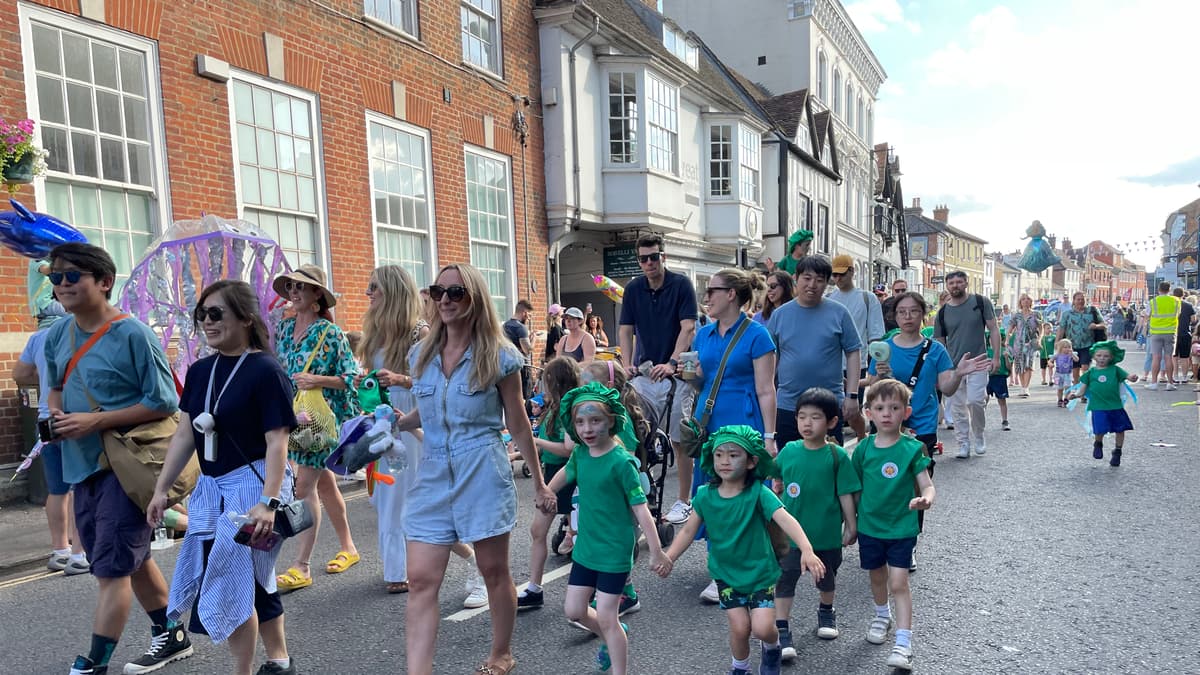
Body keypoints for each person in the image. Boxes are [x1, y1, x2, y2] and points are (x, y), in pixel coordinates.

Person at [394, 263, 556, 675]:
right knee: (421, 579)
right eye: (438, 292)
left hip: (481, 468)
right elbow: (431, 409)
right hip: (432, 473)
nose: (444, 300)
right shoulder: (420, 354)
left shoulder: (500, 356)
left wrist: (539, 483)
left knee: (493, 571)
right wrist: (399, 421)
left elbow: (517, 422)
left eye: (455, 293)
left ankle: (501, 652)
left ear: (475, 299)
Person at [43, 243, 188, 675]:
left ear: (104, 282)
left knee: (110, 570)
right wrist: (55, 416)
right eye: (56, 277)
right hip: (80, 465)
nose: (62, 285)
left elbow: (164, 401)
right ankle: (173, 634)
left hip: (126, 468)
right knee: (130, 558)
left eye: (73, 276)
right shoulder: (57, 334)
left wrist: (95, 421)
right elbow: (54, 389)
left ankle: (94, 664)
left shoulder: (133, 334)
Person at [147, 280, 297, 675]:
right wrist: (161, 490)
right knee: (253, 577)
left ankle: (243, 670)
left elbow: (277, 441)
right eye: (202, 315)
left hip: (255, 487)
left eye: (217, 314)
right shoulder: (200, 372)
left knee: (232, 579)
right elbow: (184, 434)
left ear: (246, 318)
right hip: (212, 490)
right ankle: (279, 661)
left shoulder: (266, 370)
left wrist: (268, 502)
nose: (207, 322)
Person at [657, 425, 824, 675]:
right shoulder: (704, 496)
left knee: (763, 628)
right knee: (739, 628)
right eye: (719, 454)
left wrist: (807, 550)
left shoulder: (758, 493)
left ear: (751, 462)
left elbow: (786, 518)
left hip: (760, 574)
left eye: (734, 455)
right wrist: (668, 557)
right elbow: (688, 532)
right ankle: (740, 667)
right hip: (726, 574)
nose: (725, 461)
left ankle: (772, 645)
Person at [546, 383, 668, 675]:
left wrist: (657, 552)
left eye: (595, 420)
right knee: (574, 610)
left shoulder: (622, 462)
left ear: (611, 420)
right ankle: (610, 634)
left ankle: (616, 657)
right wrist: (547, 492)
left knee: (606, 616)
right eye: (580, 422)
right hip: (587, 547)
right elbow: (566, 473)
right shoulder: (580, 454)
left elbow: (641, 509)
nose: (587, 428)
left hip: (614, 549)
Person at [865, 292, 987, 542]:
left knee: (916, 484)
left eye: (914, 311)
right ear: (894, 316)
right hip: (886, 425)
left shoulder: (935, 349)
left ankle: (908, 541)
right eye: (902, 312)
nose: (908, 317)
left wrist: (959, 374)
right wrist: (879, 375)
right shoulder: (884, 348)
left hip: (921, 425)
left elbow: (947, 388)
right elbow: (873, 388)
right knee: (881, 482)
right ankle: (880, 534)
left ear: (923, 315)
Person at [271, 265, 361, 592]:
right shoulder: (282, 330)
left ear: (316, 296)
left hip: (322, 421)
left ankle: (302, 565)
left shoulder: (331, 333)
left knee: (303, 488)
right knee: (325, 486)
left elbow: (353, 378)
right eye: (291, 286)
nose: (294, 292)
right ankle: (349, 547)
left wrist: (317, 380)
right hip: (296, 418)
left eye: (301, 287)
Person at [692, 268, 778, 603]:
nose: (707, 296)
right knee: (714, 489)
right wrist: (690, 377)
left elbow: (766, 389)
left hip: (743, 420)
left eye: (712, 289)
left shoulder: (758, 336)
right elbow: (703, 379)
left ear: (731, 294)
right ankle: (720, 568)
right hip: (709, 419)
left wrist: (769, 435)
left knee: (742, 492)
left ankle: (750, 561)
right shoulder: (704, 334)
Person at [851, 379, 936, 672]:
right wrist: (851, 524)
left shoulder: (913, 448)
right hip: (870, 528)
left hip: (901, 528)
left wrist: (925, 499)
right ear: (869, 413)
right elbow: (854, 489)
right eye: (879, 407)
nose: (887, 413)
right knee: (876, 578)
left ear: (906, 412)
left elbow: (927, 485)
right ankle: (881, 615)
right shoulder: (862, 450)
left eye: (894, 407)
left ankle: (904, 643)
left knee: (898, 582)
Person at [772, 388, 860, 662]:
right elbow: (773, 476)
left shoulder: (836, 456)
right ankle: (782, 628)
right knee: (784, 581)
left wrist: (851, 526)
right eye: (801, 417)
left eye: (815, 417)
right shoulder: (789, 451)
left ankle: (826, 611)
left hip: (825, 535)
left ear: (832, 422)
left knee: (826, 578)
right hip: (790, 538)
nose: (807, 423)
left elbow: (845, 492)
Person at [617, 233, 698, 527]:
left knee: (679, 434)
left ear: (663, 256)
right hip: (644, 371)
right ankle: (643, 490)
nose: (649, 263)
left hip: (676, 372)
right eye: (643, 258)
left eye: (654, 257)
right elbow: (626, 330)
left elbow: (687, 327)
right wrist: (627, 364)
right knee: (636, 430)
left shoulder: (681, 285)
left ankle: (685, 499)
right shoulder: (634, 289)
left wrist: (673, 361)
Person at [359, 265, 430, 594]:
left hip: (412, 418)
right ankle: (398, 566)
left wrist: (400, 379)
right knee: (386, 494)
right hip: (383, 419)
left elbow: (434, 383)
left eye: (375, 287)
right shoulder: (374, 334)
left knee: (406, 493)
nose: (369, 293)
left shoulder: (420, 333)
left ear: (393, 291)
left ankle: (406, 567)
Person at [14, 301, 90, 576]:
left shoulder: (36, 338)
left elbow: (19, 374)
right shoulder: (75, 331)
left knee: (56, 490)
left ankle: (60, 551)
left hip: (46, 422)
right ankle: (80, 554)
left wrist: (41, 375)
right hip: (75, 420)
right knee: (82, 487)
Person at [768, 255, 862, 448]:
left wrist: (852, 395)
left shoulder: (839, 313)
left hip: (829, 404)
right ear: (796, 278)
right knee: (790, 467)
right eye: (807, 278)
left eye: (820, 280)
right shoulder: (780, 315)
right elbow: (771, 359)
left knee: (828, 465)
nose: (812, 285)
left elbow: (853, 352)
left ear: (827, 283)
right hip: (788, 405)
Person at [517, 356, 581, 610]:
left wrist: (538, 444)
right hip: (553, 470)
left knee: (579, 535)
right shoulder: (554, 406)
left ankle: (586, 591)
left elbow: (568, 449)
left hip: (568, 474)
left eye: (545, 381)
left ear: (554, 382)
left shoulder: (568, 406)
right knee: (538, 530)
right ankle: (535, 587)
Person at [933, 270, 1000, 458]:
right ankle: (963, 443)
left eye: (959, 282)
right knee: (957, 406)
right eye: (951, 283)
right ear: (947, 286)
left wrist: (996, 357)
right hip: (953, 365)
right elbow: (939, 342)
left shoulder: (980, 302)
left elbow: (994, 329)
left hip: (978, 361)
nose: (955, 285)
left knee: (975, 400)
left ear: (966, 283)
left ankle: (979, 435)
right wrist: (940, 370)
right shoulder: (943, 312)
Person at [826, 254, 883, 440]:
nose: (837, 279)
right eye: (834, 275)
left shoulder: (867, 298)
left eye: (841, 274)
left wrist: (875, 367)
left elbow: (875, 335)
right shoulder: (828, 298)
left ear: (852, 271)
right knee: (831, 411)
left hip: (856, 362)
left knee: (851, 411)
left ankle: (860, 434)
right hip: (831, 364)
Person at [1067, 341, 1139, 466]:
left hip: (1115, 406)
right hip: (1098, 406)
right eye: (1099, 355)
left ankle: (1117, 451)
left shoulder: (1115, 370)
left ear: (1111, 357)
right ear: (1094, 357)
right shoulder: (1090, 373)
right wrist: (1075, 395)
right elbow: (1082, 389)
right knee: (1099, 430)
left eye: (1106, 356)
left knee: (1120, 430)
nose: (1102, 358)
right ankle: (1098, 443)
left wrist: (1132, 377)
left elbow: (1128, 376)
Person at [1057, 291, 1107, 386]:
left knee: (1085, 367)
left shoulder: (1092, 311)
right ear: (1074, 301)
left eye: (1082, 299)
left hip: (1087, 344)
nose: (1080, 301)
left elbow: (1104, 325)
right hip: (1071, 346)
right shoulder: (1067, 314)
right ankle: (1076, 387)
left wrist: (1096, 326)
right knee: (1075, 370)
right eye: (1078, 299)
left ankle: (1084, 389)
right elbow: (1061, 328)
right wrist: (1057, 342)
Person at [1007, 295, 1039, 397]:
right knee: (1020, 366)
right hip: (1018, 343)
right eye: (1023, 299)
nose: (1025, 301)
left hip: (1030, 343)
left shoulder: (1036, 314)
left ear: (1031, 301)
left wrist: (1039, 339)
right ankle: (1022, 387)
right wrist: (1007, 339)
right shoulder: (1017, 315)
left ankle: (1026, 387)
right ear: (1020, 302)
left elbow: (1041, 328)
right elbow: (1010, 328)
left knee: (1029, 365)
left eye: (1028, 299)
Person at [504, 299, 535, 399]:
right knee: (525, 397)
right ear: (524, 313)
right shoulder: (521, 327)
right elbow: (527, 350)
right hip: (522, 366)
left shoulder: (505, 326)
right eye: (529, 315)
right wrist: (534, 339)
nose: (529, 318)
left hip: (507, 366)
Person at [985, 329, 1012, 432]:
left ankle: (1005, 420)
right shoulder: (986, 351)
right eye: (991, 338)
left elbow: (1009, 368)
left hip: (999, 377)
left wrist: (1006, 358)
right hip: (988, 377)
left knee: (1002, 399)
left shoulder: (1004, 351)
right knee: (984, 398)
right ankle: (980, 420)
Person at [1172, 288, 1195, 384]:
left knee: (1174, 357)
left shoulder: (1171, 305)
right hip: (1185, 333)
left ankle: (1175, 376)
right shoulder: (1189, 306)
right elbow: (1193, 320)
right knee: (1185, 357)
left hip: (1173, 333)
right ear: (1183, 295)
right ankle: (1185, 377)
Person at [1053, 339, 1078, 407]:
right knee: (1059, 388)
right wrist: (1050, 363)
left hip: (1068, 374)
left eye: (1069, 347)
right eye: (1065, 347)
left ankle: (1066, 399)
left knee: (1068, 387)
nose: (1067, 349)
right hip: (1058, 374)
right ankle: (1060, 400)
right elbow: (1050, 360)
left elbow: (1076, 359)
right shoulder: (1057, 355)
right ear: (1060, 348)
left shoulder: (1071, 355)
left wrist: (1072, 354)